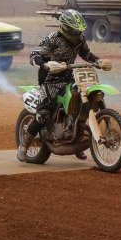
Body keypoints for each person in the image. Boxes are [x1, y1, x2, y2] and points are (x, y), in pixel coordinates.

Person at [24, 10, 111, 146]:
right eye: (74, 31)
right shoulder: (53, 38)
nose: (77, 34)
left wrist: (98, 61)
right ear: (65, 27)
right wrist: (45, 64)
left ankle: (75, 133)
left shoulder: (79, 40)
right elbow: (34, 55)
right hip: (50, 80)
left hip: (69, 77)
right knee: (43, 114)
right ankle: (24, 145)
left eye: (79, 31)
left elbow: (86, 54)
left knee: (81, 99)